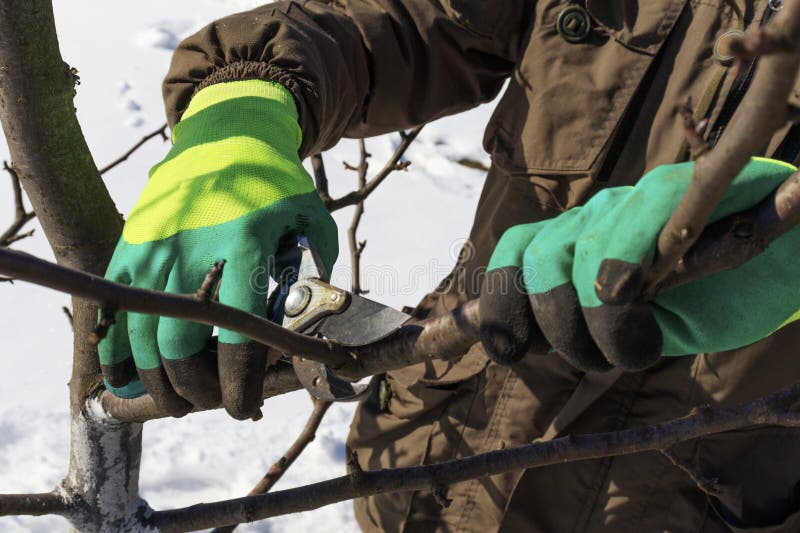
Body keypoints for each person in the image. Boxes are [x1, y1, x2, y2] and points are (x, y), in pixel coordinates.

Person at [99, 1, 800, 531]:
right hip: (426, 465)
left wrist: (785, 248)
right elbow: (403, 17)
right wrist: (244, 106)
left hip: (690, 501)